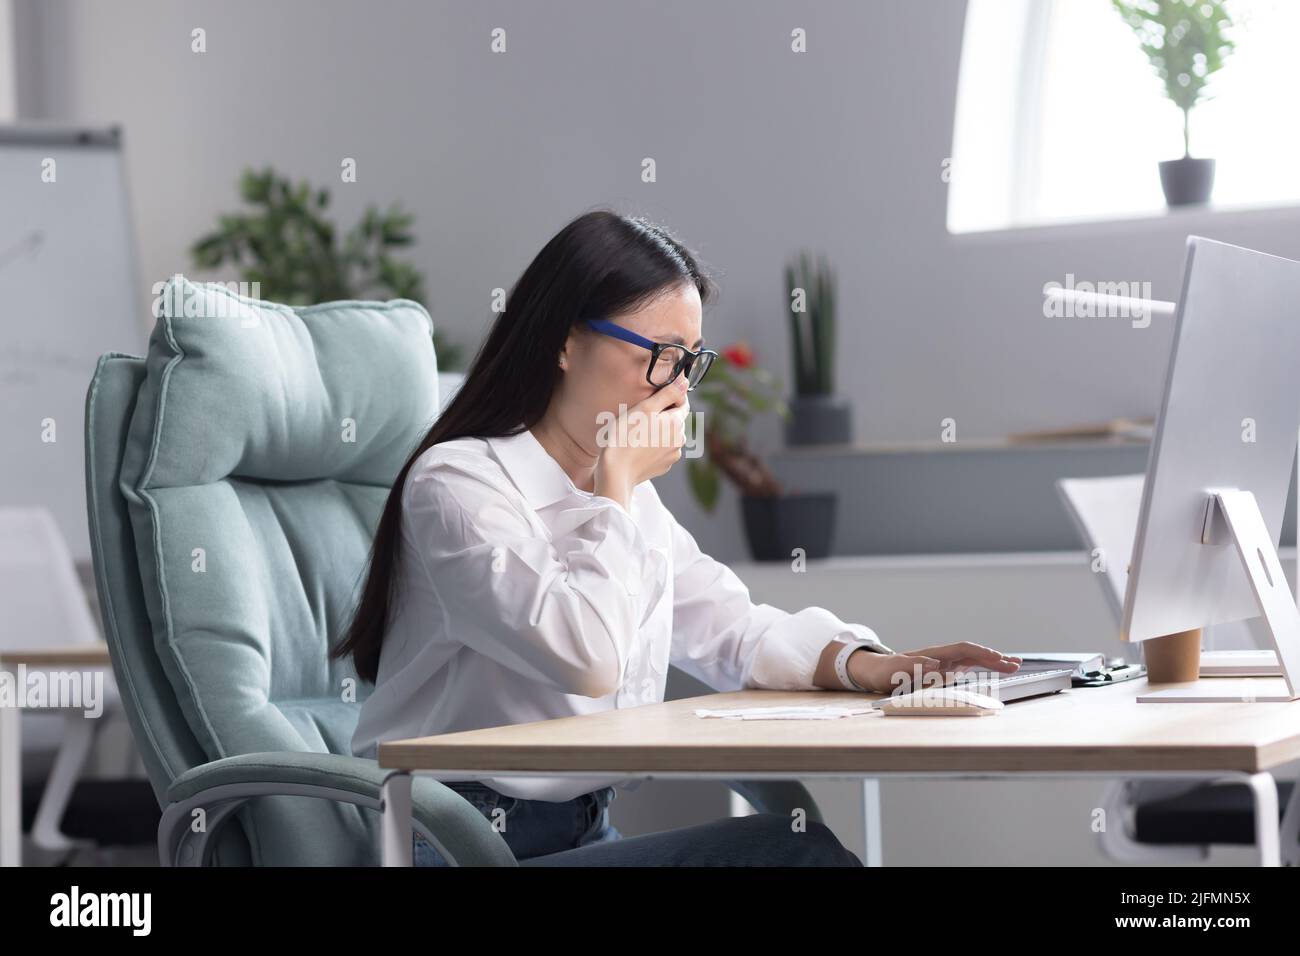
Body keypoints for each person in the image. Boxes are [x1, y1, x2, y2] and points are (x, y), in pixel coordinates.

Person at [333, 209, 1021, 866]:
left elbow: (727, 626)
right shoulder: (457, 485)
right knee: (786, 853)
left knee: (786, 847)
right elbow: (587, 657)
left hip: (580, 830)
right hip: (452, 842)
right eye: (660, 355)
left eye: (690, 361)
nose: (677, 393)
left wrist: (862, 664)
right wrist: (619, 482)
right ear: (566, 343)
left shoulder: (624, 499)